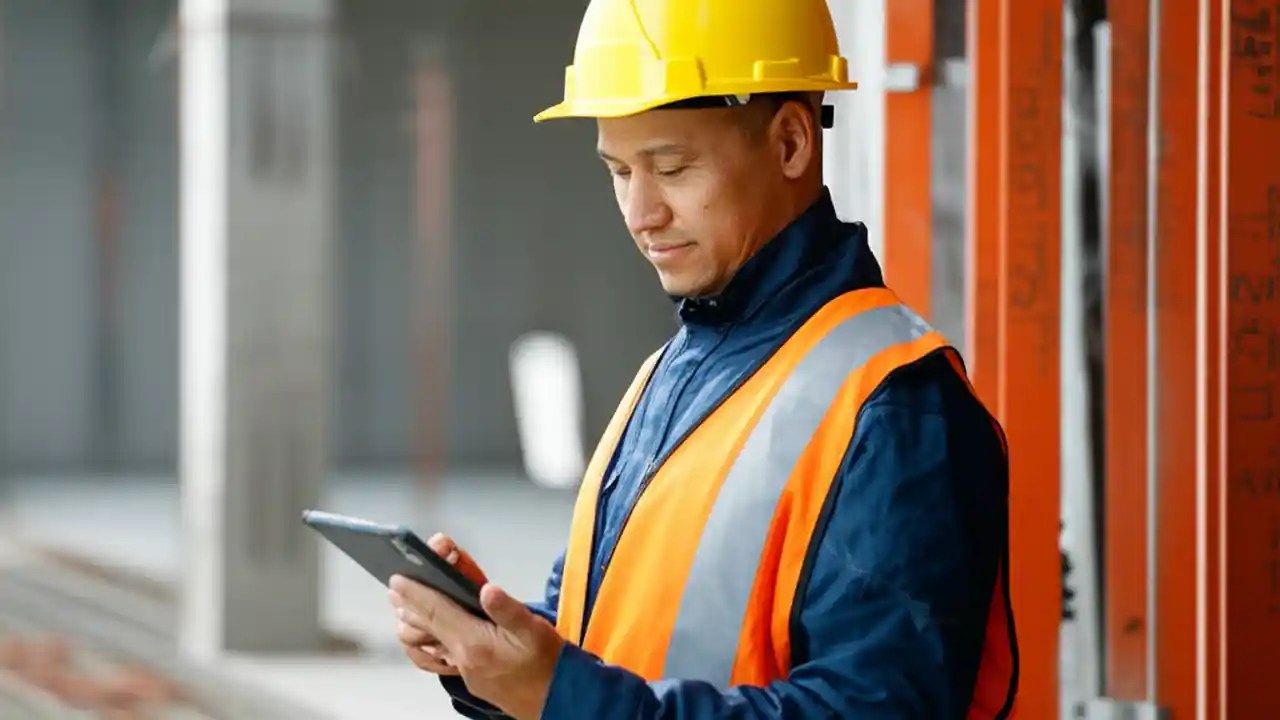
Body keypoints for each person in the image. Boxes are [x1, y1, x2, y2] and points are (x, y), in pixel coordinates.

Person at [387, 0, 1018, 718]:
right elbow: (610, 636)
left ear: (789, 143)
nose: (638, 211)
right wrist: (496, 652)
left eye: (672, 167)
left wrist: (565, 696)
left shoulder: (896, 410)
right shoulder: (669, 375)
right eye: (619, 171)